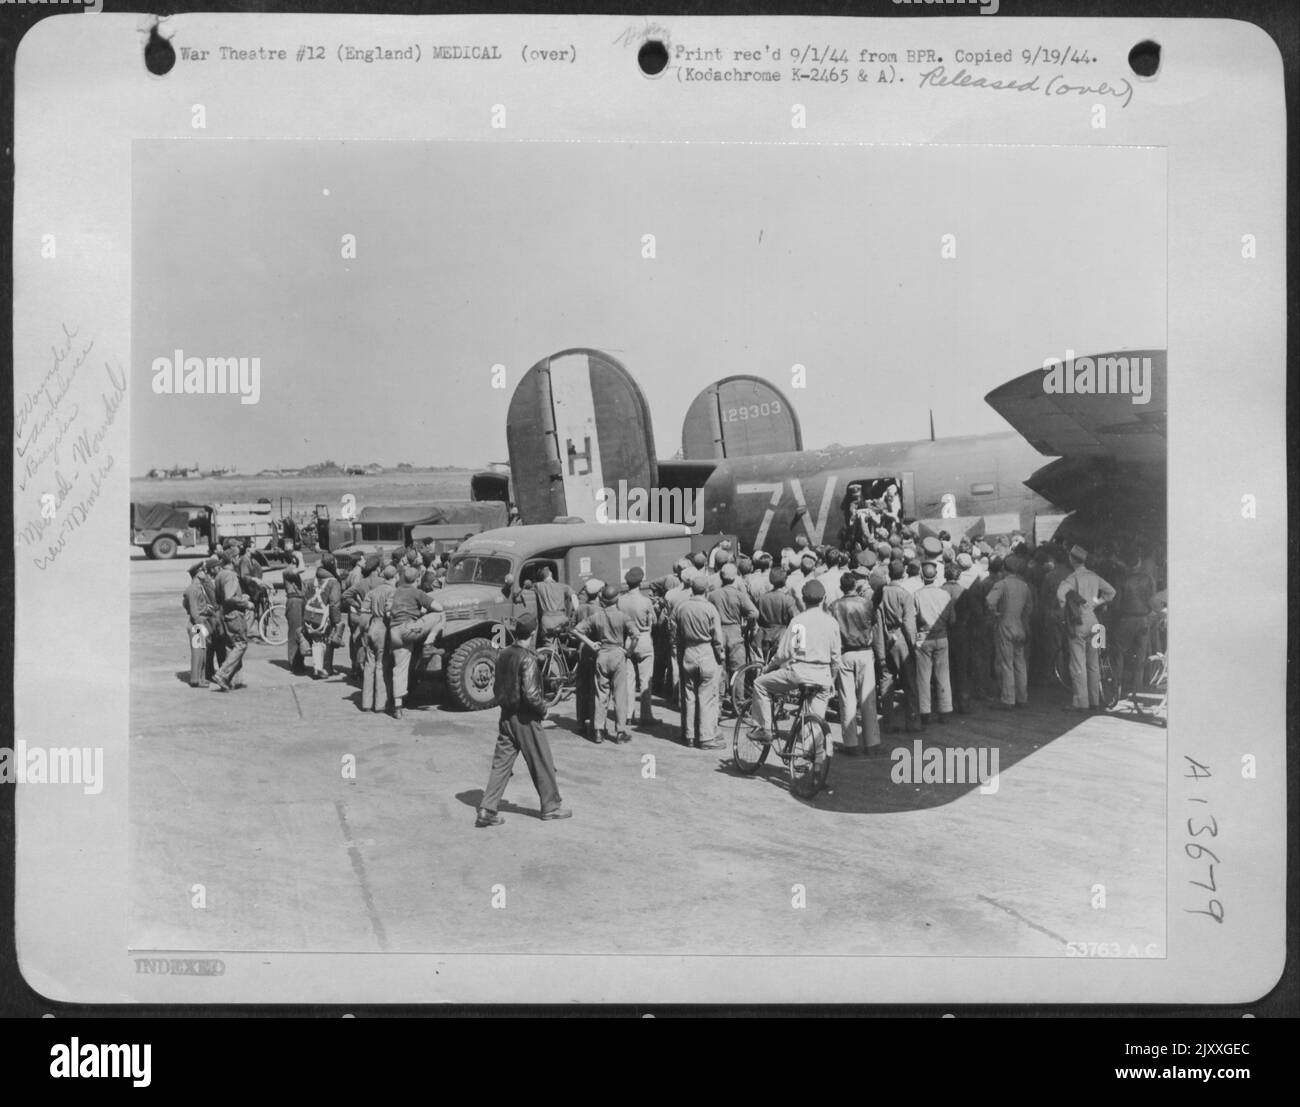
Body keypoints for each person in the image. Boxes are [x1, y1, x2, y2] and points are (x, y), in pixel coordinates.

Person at [475, 611, 572, 827]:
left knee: (501, 765)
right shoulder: (528, 657)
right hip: (526, 719)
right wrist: (543, 709)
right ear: (533, 632)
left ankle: (487, 809)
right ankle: (551, 807)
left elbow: (497, 686)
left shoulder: (503, 654)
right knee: (542, 761)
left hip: (506, 717)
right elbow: (530, 694)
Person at [748, 580, 842, 758]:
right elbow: (836, 658)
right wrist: (832, 681)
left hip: (799, 672)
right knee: (816, 724)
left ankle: (764, 728)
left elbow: (785, 654)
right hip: (822, 675)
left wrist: (768, 668)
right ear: (824, 599)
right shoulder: (831, 623)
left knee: (760, 684)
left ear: (803, 600)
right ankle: (815, 763)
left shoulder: (799, 621)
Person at [1057, 545, 1116, 711]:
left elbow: (1060, 594)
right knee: (1094, 663)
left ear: (1071, 559)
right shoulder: (1094, 576)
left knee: (1078, 664)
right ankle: (1095, 700)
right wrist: (1097, 602)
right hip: (1096, 623)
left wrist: (1065, 608)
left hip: (1079, 623)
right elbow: (1111, 592)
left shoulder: (1072, 578)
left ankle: (1080, 702)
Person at [574, 583, 636, 743]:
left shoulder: (597, 616)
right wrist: (628, 651)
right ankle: (620, 732)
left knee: (600, 694)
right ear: (616, 600)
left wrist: (591, 643)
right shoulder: (623, 616)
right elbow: (635, 635)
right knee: (620, 695)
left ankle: (598, 730)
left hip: (601, 655)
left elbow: (576, 630)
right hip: (618, 654)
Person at [830, 571, 881, 755]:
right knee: (868, 698)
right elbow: (873, 624)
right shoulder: (867, 603)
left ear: (841, 587)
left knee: (846, 699)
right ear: (856, 586)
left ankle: (851, 743)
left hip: (844, 654)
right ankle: (872, 742)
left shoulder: (834, 606)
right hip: (865, 652)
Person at [385, 566, 445, 719]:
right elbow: (438, 607)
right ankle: (429, 645)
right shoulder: (417, 592)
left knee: (400, 669)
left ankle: (398, 706)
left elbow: (387, 612)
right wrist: (422, 612)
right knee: (441, 615)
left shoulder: (395, 591)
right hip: (409, 629)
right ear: (417, 579)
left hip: (394, 632)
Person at [674, 576, 726, 749]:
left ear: (691, 589)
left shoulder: (681, 607)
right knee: (707, 697)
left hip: (688, 652)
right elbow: (717, 638)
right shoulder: (710, 609)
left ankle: (689, 734)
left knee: (689, 696)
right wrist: (720, 655)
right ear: (706, 590)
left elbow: (674, 632)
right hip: (706, 652)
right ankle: (706, 737)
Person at [876, 560, 921, 732]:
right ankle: (913, 722)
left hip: (884, 638)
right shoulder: (905, 595)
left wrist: (880, 648)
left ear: (889, 573)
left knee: (886, 681)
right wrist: (914, 646)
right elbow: (910, 625)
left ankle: (887, 723)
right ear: (903, 575)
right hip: (902, 640)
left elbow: (878, 623)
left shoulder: (880, 593)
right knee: (910, 682)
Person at [986, 554, 1034, 709]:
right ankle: (1022, 697)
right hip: (1020, 625)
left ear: (1004, 569)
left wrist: (996, 613)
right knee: (1020, 662)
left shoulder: (1002, 584)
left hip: (1005, 625)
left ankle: (1008, 699)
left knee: (1006, 663)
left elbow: (989, 601)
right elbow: (1029, 608)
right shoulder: (1024, 586)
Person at [707, 561, 757, 700]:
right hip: (735, 632)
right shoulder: (739, 595)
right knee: (738, 669)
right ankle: (738, 700)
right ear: (735, 578)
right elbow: (754, 612)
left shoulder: (712, 595)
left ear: (721, 578)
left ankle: (720, 701)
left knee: (720, 668)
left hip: (718, 632)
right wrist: (747, 626)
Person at [915, 560, 955, 723]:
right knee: (943, 674)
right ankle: (945, 709)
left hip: (923, 638)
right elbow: (952, 619)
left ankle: (925, 712)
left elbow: (913, 618)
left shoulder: (917, 595)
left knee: (924, 676)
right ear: (936, 576)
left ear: (921, 576)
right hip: (942, 637)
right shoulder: (944, 594)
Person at [617, 567, 658, 727]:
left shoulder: (620, 600)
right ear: (640, 582)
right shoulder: (645, 601)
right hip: (644, 639)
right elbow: (653, 621)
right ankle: (646, 715)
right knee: (645, 679)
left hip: (627, 640)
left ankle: (628, 714)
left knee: (628, 680)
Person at [212, 550, 252, 691]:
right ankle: (222, 674)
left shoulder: (220, 575)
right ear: (234, 559)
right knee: (241, 644)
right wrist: (246, 603)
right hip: (235, 615)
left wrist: (241, 597)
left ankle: (234, 680)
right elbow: (229, 597)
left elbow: (221, 598)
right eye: (237, 557)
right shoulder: (231, 576)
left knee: (231, 646)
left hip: (225, 616)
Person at [361, 565, 399, 713]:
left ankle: (366, 703)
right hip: (383, 627)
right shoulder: (392, 592)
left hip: (371, 626)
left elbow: (363, 610)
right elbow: (389, 613)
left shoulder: (372, 592)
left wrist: (365, 630)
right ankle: (380, 704)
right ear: (395, 577)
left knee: (369, 664)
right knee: (381, 665)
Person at [182, 562, 216, 688]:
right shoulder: (193, 589)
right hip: (196, 624)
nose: (205, 573)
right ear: (197, 573)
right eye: (203, 571)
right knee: (198, 653)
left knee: (202, 652)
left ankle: (201, 678)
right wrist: (200, 624)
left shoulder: (198, 587)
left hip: (200, 623)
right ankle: (195, 680)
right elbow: (194, 610)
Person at [533, 563, 575, 642]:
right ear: (551, 574)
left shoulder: (538, 586)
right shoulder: (563, 586)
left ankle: (550, 651)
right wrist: (571, 615)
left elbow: (528, 586)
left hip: (548, 621)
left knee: (548, 643)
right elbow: (574, 597)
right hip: (562, 619)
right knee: (563, 640)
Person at [282, 568, 307, 674]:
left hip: (300, 601)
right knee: (295, 633)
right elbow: (301, 568)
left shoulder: (295, 574)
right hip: (294, 601)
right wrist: (299, 556)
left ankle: (299, 661)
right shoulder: (288, 571)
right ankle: (294, 663)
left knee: (301, 633)